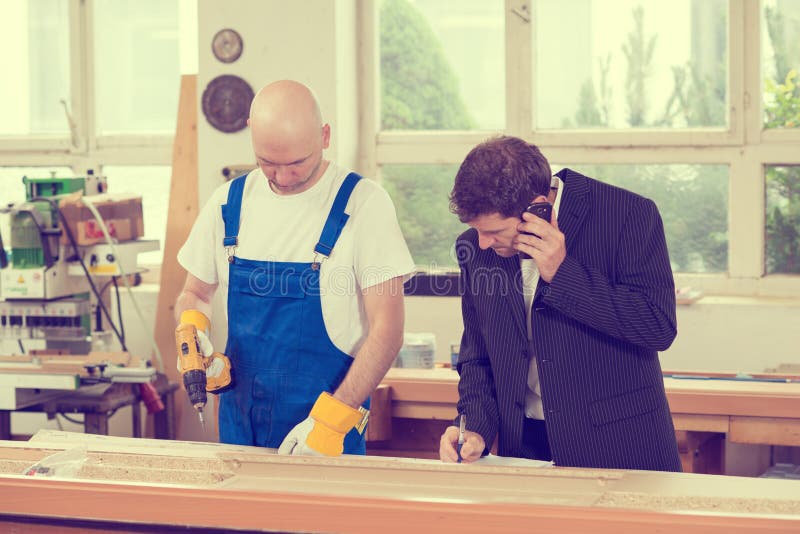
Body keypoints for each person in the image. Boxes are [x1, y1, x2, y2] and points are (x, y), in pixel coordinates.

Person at [175, 80, 415, 456]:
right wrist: (191, 329)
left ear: (324, 136)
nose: (283, 178)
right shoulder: (229, 203)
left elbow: (388, 330)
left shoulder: (364, 205)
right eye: (267, 163)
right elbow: (195, 292)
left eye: (296, 164)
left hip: (328, 428)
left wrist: (331, 423)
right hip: (240, 427)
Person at [439, 136, 681, 471]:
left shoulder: (629, 215)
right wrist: (475, 427)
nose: (483, 242)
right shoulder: (477, 248)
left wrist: (564, 273)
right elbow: (478, 354)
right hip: (525, 451)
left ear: (538, 208)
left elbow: (657, 326)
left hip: (620, 448)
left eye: (494, 231)